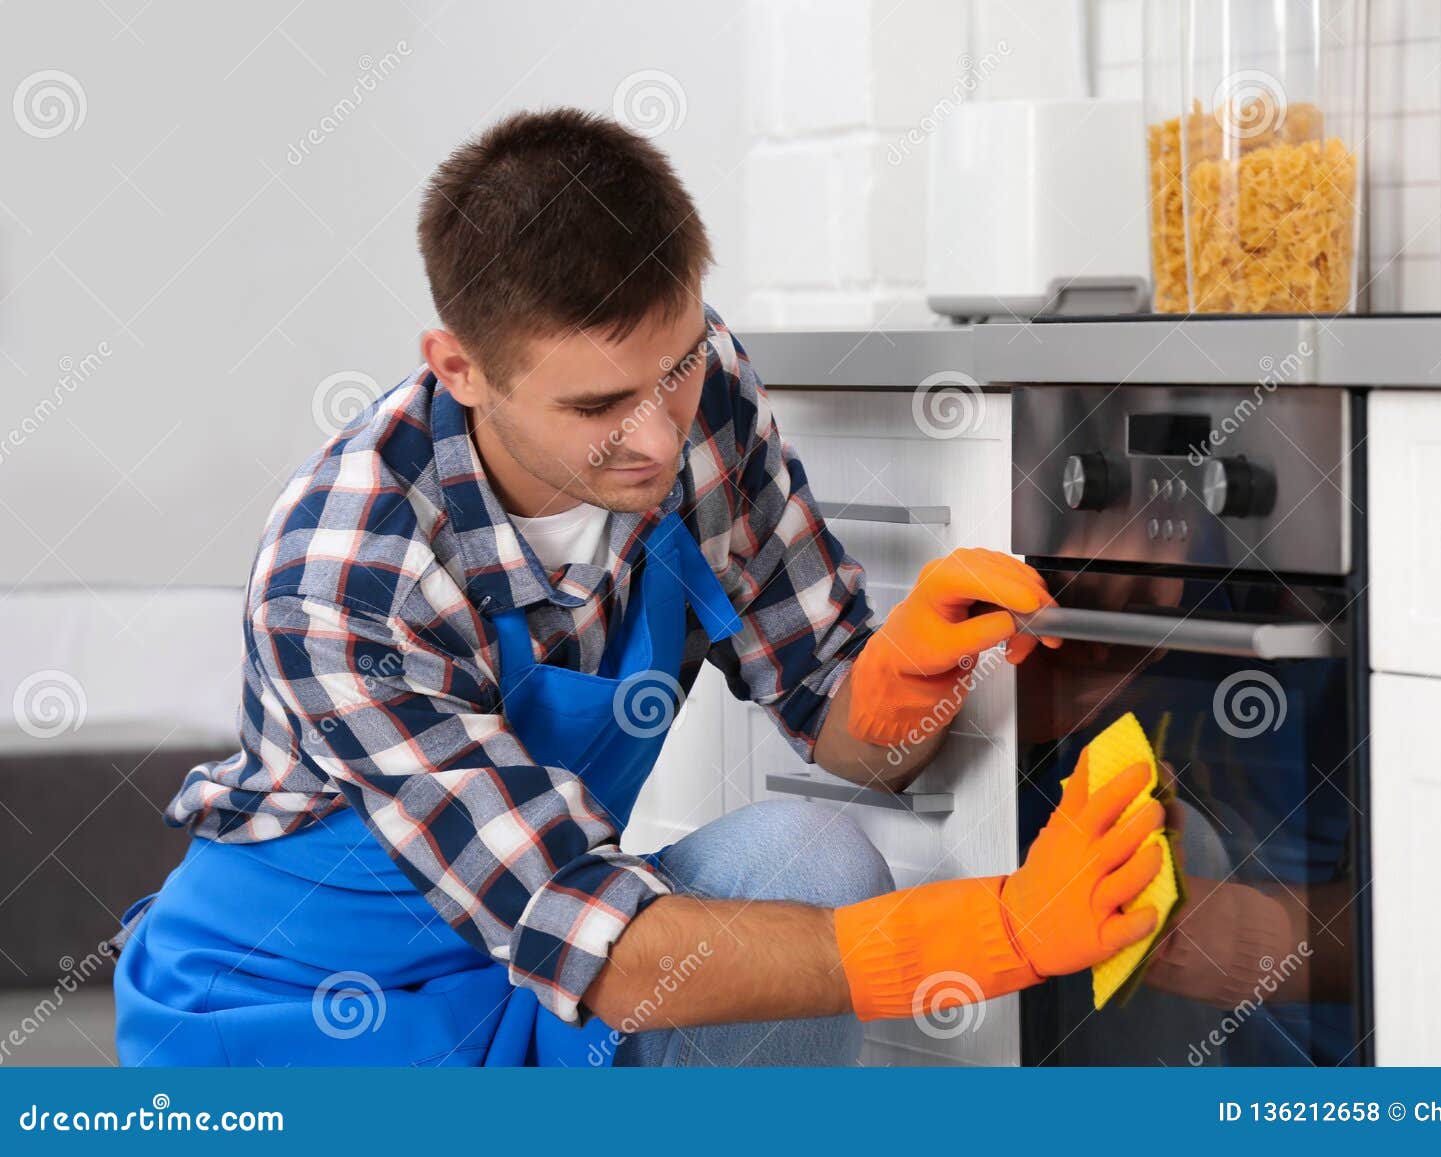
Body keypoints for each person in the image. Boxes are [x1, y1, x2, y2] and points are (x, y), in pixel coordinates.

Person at [113, 108, 1163, 1067]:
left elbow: (849, 732)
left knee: (807, 853)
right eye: (599, 404)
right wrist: (1005, 929)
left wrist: (910, 670)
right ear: (460, 367)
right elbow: (600, 947)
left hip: (527, 970)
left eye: (680, 369)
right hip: (294, 1023)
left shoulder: (700, 389)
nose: (659, 439)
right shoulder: (343, 575)